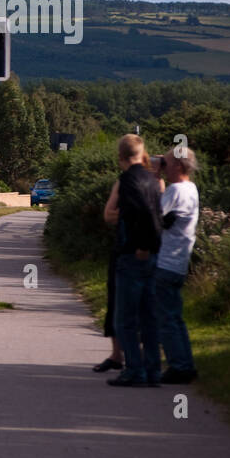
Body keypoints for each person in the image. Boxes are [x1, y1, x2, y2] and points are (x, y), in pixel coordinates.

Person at [102, 134, 163, 387]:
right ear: (142, 153)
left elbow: (143, 214)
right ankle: (152, 370)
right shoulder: (154, 180)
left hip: (132, 254)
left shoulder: (128, 180)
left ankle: (134, 371)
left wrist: (141, 245)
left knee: (125, 318)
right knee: (149, 316)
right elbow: (157, 214)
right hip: (154, 256)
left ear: (121, 157)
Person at [155, 149, 200, 383]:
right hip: (180, 262)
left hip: (166, 261)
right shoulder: (191, 188)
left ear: (179, 166)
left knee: (167, 318)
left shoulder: (174, 190)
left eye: (168, 162)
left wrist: (155, 181)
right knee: (175, 316)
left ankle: (179, 366)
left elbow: (152, 216)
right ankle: (186, 364)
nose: (164, 165)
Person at [91, 179, 125, 372]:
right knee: (117, 304)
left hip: (139, 255)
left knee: (133, 308)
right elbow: (108, 215)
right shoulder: (126, 183)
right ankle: (118, 355)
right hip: (127, 252)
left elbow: (109, 214)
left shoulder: (157, 186)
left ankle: (140, 362)